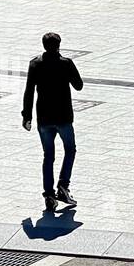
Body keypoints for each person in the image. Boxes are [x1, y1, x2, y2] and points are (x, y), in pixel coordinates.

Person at [21, 31, 83, 214]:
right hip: (63, 117)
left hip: (44, 119)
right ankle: (63, 185)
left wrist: (27, 116)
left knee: (48, 156)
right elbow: (79, 85)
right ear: (59, 45)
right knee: (70, 150)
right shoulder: (66, 63)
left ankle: (49, 195)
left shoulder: (35, 64)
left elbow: (29, 91)